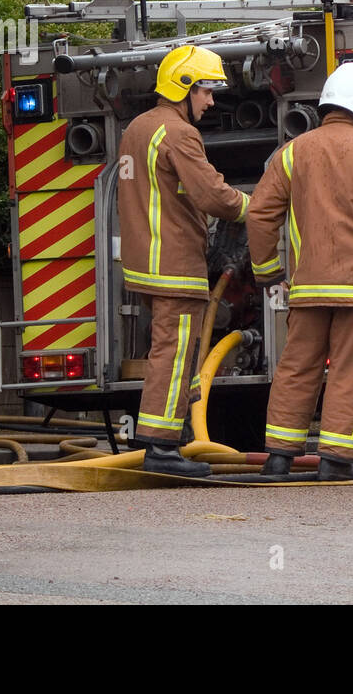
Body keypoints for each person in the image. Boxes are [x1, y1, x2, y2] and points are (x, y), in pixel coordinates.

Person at [247, 62, 353, 481]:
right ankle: (335, 461)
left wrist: (269, 271)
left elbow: (258, 215)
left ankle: (278, 458)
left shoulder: (290, 153)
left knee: (297, 368)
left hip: (307, 291)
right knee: (350, 370)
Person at [118, 45, 251, 476]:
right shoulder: (178, 133)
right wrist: (253, 206)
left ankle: (175, 436)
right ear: (184, 87)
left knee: (175, 354)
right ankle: (160, 449)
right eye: (206, 91)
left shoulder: (138, 127)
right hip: (173, 264)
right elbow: (213, 194)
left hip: (146, 263)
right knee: (173, 355)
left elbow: (166, 191)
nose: (211, 101)